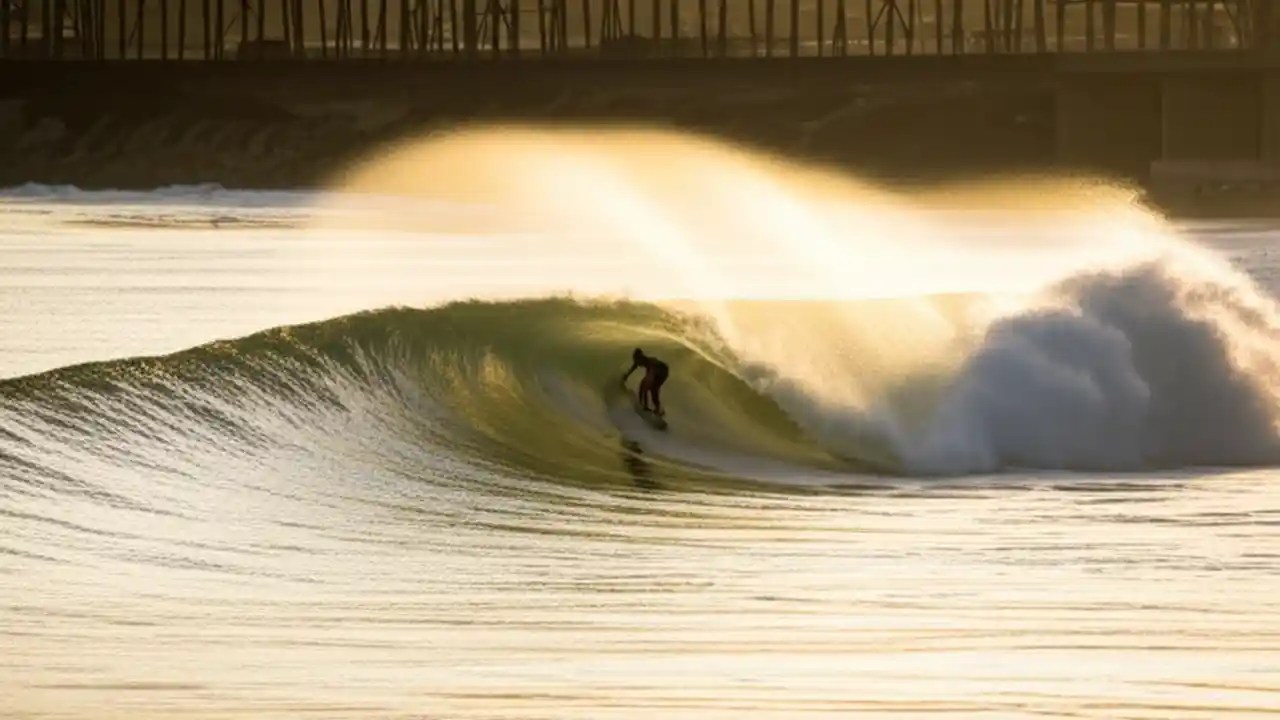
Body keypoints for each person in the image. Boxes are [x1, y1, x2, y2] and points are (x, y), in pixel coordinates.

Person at [622, 348, 669, 416]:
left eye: (636, 359)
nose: (635, 361)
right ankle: (655, 409)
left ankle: (647, 407)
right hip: (658, 372)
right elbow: (634, 367)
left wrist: (650, 378)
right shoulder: (639, 361)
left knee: (647, 387)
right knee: (649, 388)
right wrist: (626, 376)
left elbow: (652, 370)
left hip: (662, 371)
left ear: (640, 358)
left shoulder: (650, 362)